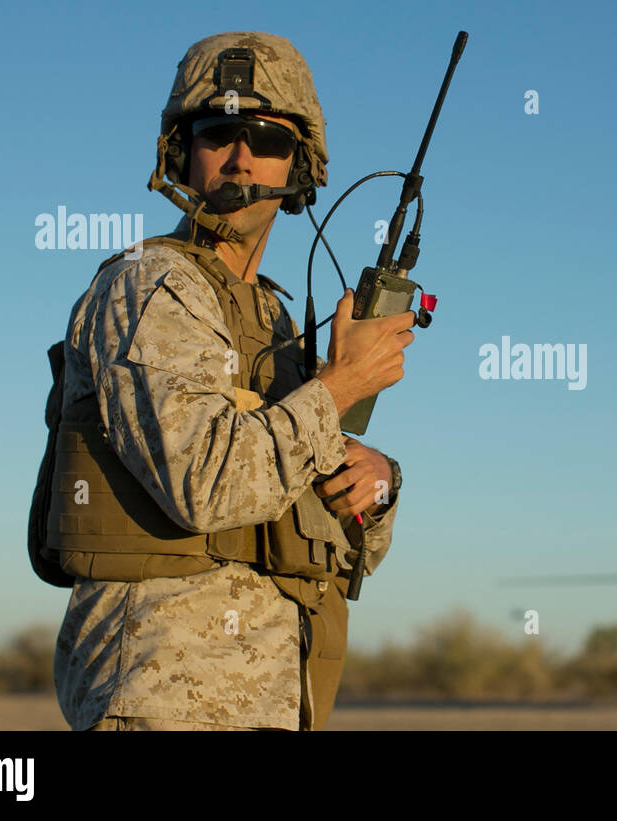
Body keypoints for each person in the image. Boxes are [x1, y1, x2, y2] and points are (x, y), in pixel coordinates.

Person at [43, 31, 415, 731]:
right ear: (182, 152)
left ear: (298, 165)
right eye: (219, 133)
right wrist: (337, 386)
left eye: (267, 139)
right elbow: (207, 482)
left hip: (270, 701)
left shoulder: (273, 319)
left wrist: (379, 480)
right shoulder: (152, 286)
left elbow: (341, 538)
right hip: (162, 702)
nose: (243, 156)